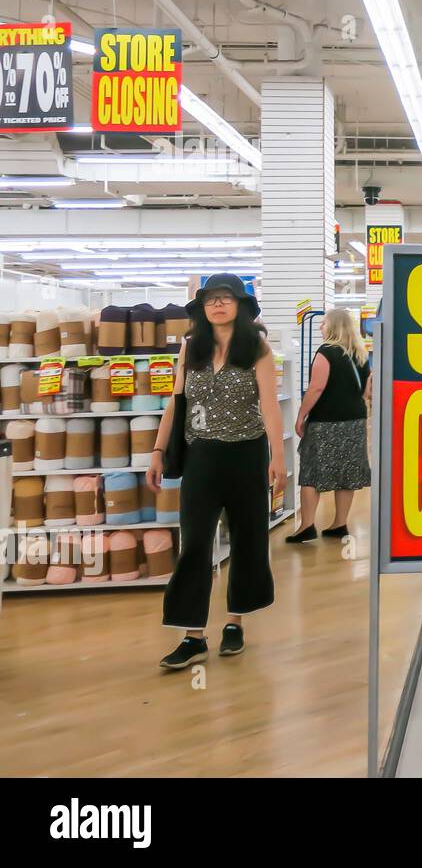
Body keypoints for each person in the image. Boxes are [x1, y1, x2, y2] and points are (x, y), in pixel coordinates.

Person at [149, 275, 286, 669]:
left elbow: (270, 406)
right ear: (202, 308)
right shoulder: (191, 348)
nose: (219, 305)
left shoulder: (256, 347)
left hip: (246, 455)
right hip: (201, 457)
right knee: (194, 543)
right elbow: (176, 403)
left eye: (227, 299)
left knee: (246, 540)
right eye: (212, 300)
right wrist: (158, 450)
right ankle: (193, 635)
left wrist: (278, 458)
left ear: (240, 306)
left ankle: (234, 623)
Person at [287, 308, 372, 544]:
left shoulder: (326, 351)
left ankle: (306, 526)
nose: (320, 327)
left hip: (325, 421)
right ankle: (339, 523)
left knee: (311, 472)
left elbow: (316, 388)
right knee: (346, 472)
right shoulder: (360, 354)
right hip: (355, 421)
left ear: (333, 326)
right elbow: (366, 392)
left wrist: (301, 415)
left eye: (323, 324)